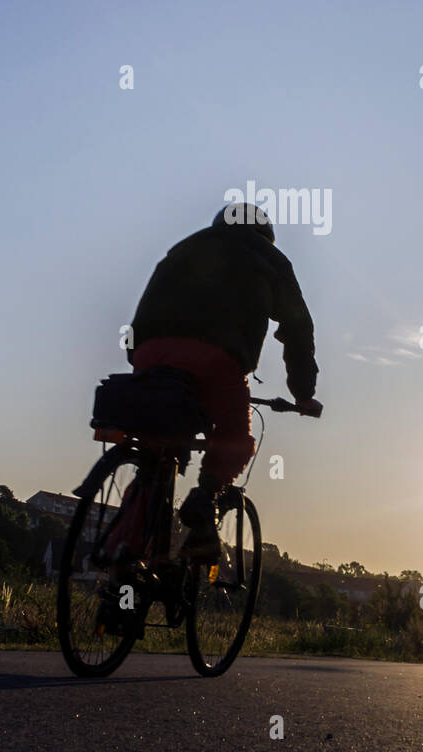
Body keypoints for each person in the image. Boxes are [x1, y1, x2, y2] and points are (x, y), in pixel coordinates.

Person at [127, 202, 320, 560]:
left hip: (148, 353)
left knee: (155, 449)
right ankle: (204, 499)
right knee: (235, 438)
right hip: (216, 358)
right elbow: (298, 328)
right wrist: (304, 394)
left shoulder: (186, 246)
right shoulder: (270, 258)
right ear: (266, 235)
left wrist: (142, 357)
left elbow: (145, 307)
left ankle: (125, 559)